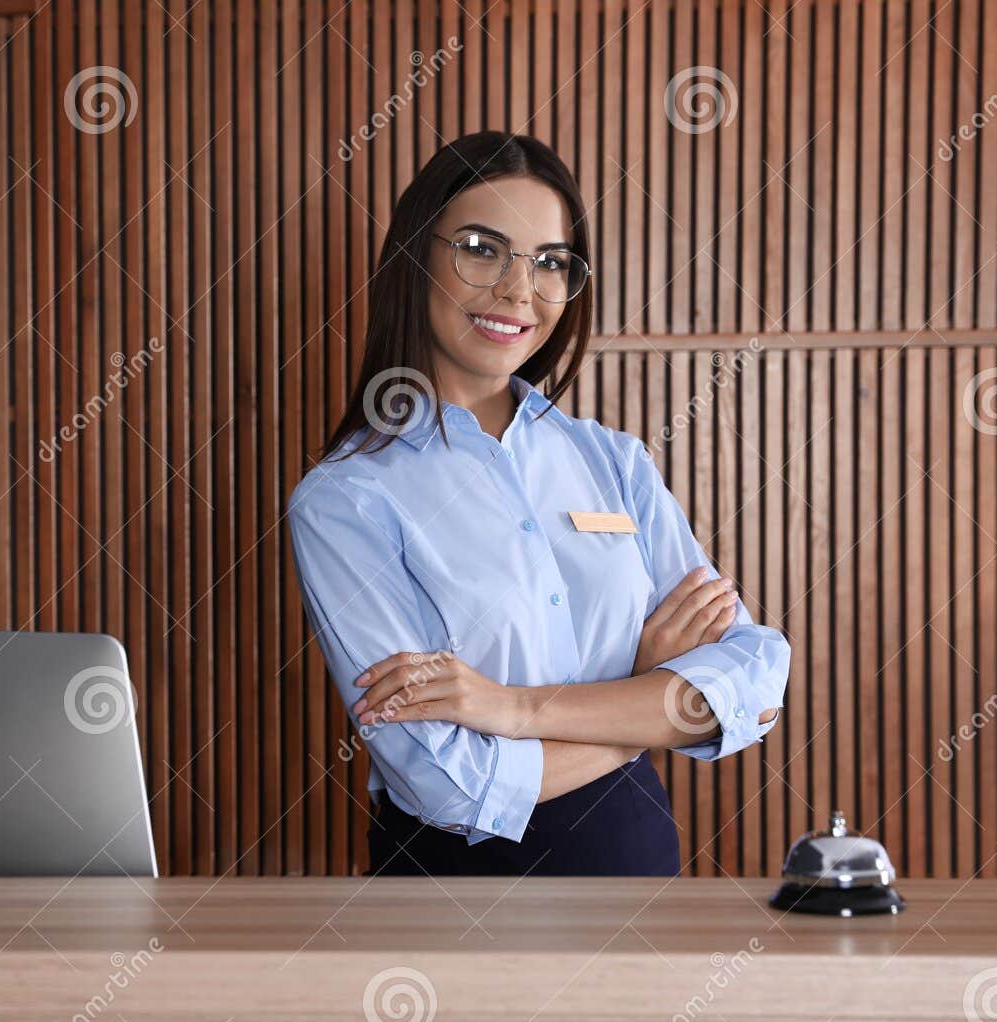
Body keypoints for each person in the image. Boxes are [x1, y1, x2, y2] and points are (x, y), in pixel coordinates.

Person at [286, 131, 790, 876]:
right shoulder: (347, 499)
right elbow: (448, 783)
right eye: (483, 249)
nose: (519, 291)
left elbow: (755, 679)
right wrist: (641, 703)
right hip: (460, 901)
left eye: (550, 262)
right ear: (415, 257)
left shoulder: (613, 461)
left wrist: (511, 708)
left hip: (642, 886)